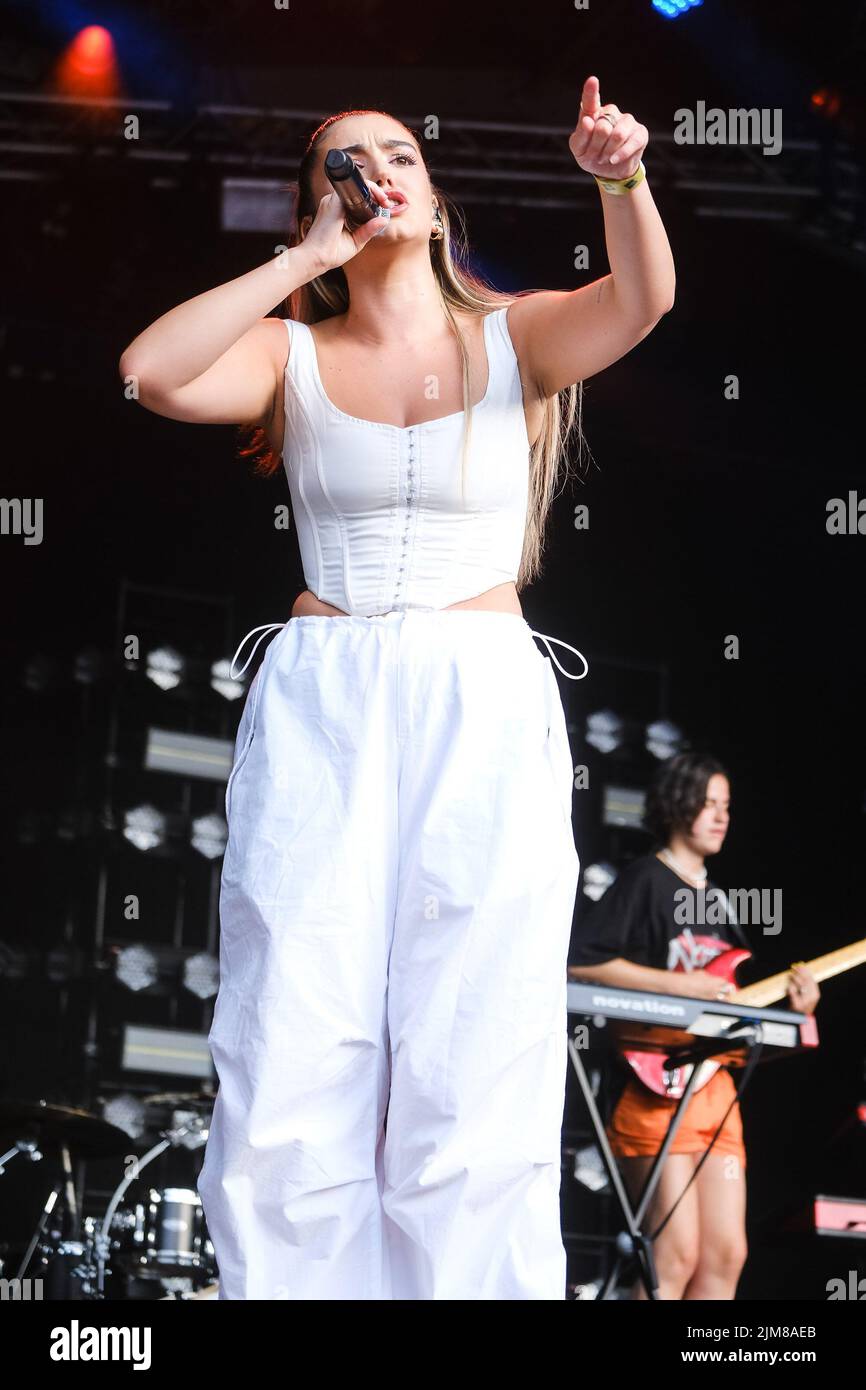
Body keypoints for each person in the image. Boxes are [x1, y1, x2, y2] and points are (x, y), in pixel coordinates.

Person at [118, 76, 675, 1299]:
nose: (374, 173)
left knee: (472, 1042)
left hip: (478, 695)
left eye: (396, 156)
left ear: (431, 194)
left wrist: (616, 174)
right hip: (325, 700)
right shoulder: (290, 353)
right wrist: (300, 258)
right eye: (342, 164)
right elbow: (149, 372)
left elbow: (641, 299)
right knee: (294, 1034)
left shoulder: (512, 337)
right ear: (325, 202)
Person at [569, 752, 820, 1300]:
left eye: (726, 806)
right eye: (707, 803)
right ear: (675, 805)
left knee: (726, 1255)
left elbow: (737, 1013)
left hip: (714, 1089)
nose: (720, 817)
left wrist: (794, 1012)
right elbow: (581, 964)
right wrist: (683, 987)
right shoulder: (644, 881)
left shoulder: (722, 904)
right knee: (673, 1254)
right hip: (651, 1087)